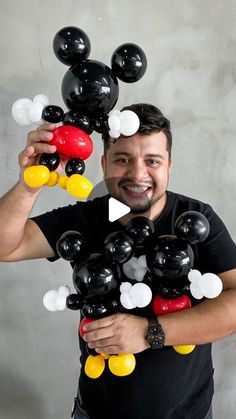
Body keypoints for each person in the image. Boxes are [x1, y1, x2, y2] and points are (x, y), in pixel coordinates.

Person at [0, 103, 236, 419]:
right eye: (123, 159)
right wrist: (31, 184)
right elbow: (6, 246)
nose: (138, 174)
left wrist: (149, 332)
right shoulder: (84, 219)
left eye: (152, 161)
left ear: (169, 165)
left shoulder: (197, 219)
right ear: (104, 163)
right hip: (97, 412)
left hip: (188, 413)